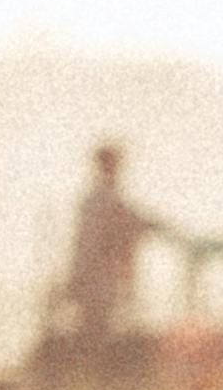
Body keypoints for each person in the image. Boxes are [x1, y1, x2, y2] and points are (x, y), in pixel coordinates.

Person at [49, 142, 160, 348]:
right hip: (96, 277)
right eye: (112, 164)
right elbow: (102, 237)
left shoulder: (105, 199)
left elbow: (131, 222)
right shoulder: (98, 200)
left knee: (98, 327)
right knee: (95, 328)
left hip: (102, 277)